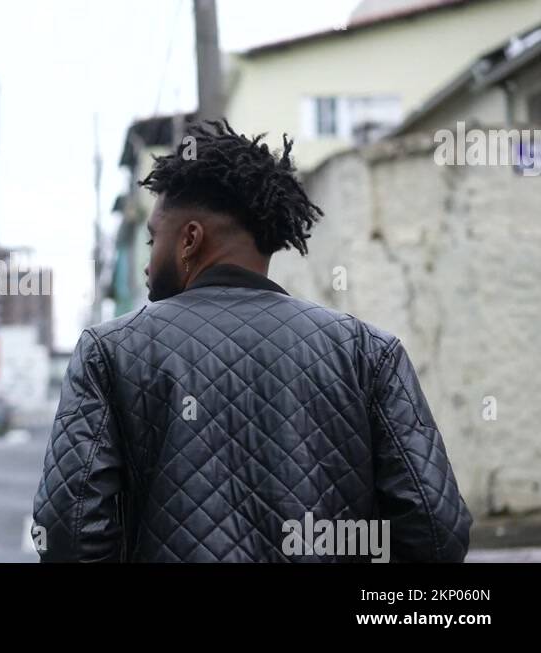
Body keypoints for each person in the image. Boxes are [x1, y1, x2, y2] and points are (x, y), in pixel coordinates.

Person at [32, 119, 472, 562]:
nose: (147, 264)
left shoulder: (109, 352)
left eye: (153, 238)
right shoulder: (366, 352)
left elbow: (68, 530)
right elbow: (436, 528)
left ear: (189, 239)